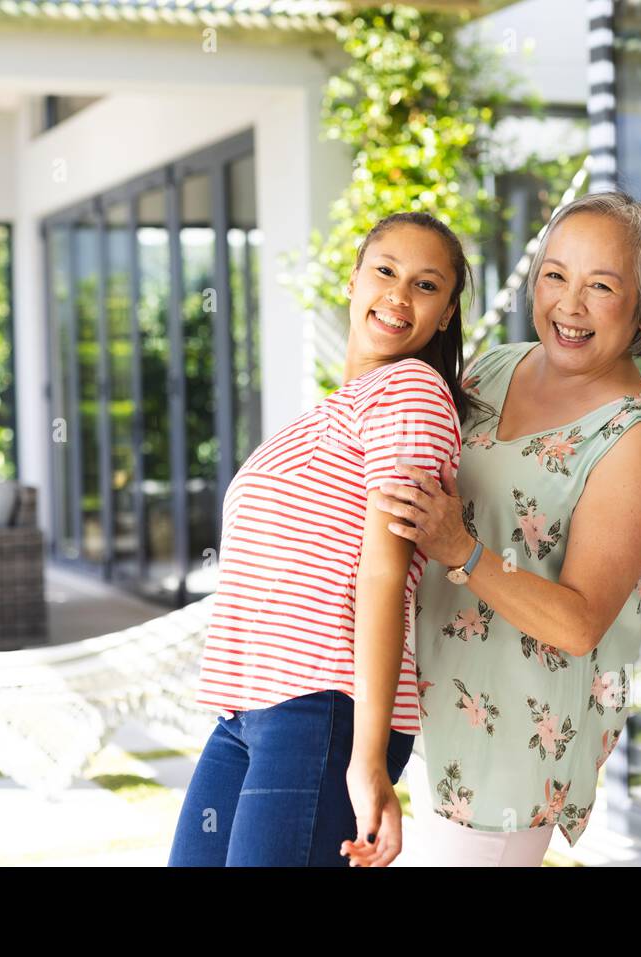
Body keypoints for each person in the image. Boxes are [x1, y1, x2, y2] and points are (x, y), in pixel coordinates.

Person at [341, 190, 641, 867]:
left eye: (601, 286)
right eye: (555, 275)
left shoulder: (632, 442)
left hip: (502, 744)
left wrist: (461, 548)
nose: (569, 305)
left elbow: (580, 623)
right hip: (413, 705)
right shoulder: (494, 368)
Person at [168, 211, 485, 867]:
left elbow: (382, 573)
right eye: (386, 271)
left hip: (321, 709)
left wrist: (367, 758)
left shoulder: (412, 393)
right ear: (354, 279)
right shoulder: (332, 410)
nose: (398, 296)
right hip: (248, 710)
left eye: (426, 286)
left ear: (447, 313)